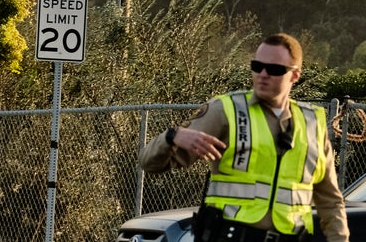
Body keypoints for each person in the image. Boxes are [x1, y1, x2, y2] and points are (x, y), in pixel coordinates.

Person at [140, 33, 349, 242]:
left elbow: (330, 200)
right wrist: (171, 137)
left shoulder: (312, 123)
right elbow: (149, 164)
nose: (263, 74)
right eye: (257, 66)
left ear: (295, 75)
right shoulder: (226, 111)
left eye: (274, 69)